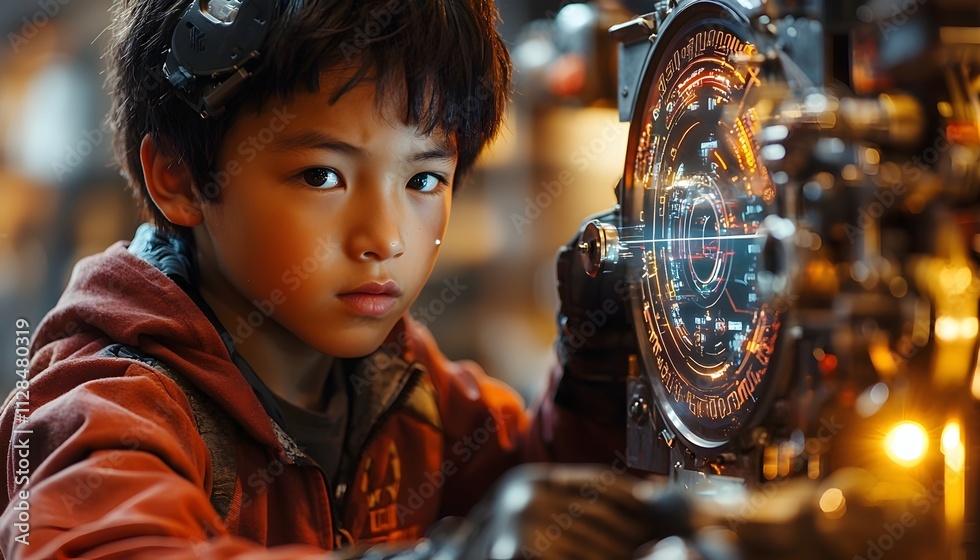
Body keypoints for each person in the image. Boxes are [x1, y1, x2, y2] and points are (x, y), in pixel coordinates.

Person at [0, 0, 641, 557]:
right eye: (321, 176)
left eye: (423, 180)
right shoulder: (110, 396)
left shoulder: (405, 384)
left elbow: (544, 503)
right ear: (181, 177)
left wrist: (599, 381)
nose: (385, 239)